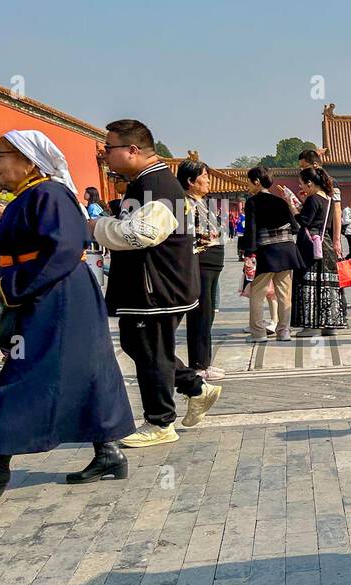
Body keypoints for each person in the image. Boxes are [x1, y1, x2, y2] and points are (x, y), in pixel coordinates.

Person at [0, 131, 135, 498]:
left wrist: (17, 288)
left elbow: (63, 250)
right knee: (88, 370)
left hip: (54, 296)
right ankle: (108, 451)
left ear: (28, 160)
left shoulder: (49, 194)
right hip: (56, 293)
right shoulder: (29, 196)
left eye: (1, 155)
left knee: (21, 374)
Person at [92, 119, 221, 448]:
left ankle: (160, 421)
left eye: (110, 148)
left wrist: (94, 227)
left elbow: (141, 233)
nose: (105, 154)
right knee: (143, 347)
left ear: (132, 150)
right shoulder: (146, 182)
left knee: (150, 350)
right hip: (153, 284)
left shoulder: (158, 185)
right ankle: (195, 387)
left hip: (156, 287)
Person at [178, 160, 225, 382]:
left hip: (213, 264)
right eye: (204, 176)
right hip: (201, 263)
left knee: (208, 313)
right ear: (190, 181)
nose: (208, 180)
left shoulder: (202, 203)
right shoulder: (184, 204)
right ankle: (197, 364)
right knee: (200, 314)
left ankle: (205, 361)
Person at [238, 166, 298, 342]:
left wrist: (249, 253)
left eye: (249, 181)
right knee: (284, 293)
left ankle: (258, 333)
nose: (247, 185)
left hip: (266, 252)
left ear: (256, 182)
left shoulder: (252, 202)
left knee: (258, 292)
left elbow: (251, 229)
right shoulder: (280, 201)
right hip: (287, 251)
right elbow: (295, 227)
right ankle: (284, 331)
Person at [291, 167, 348, 336]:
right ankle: (330, 324)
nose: (301, 187)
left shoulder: (313, 199)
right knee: (326, 283)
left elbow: (304, 221)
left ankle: (311, 326)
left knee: (309, 282)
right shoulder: (328, 199)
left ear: (309, 183)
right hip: (326, 244)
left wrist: (292, 205)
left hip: (310, 246)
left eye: (302, 183)